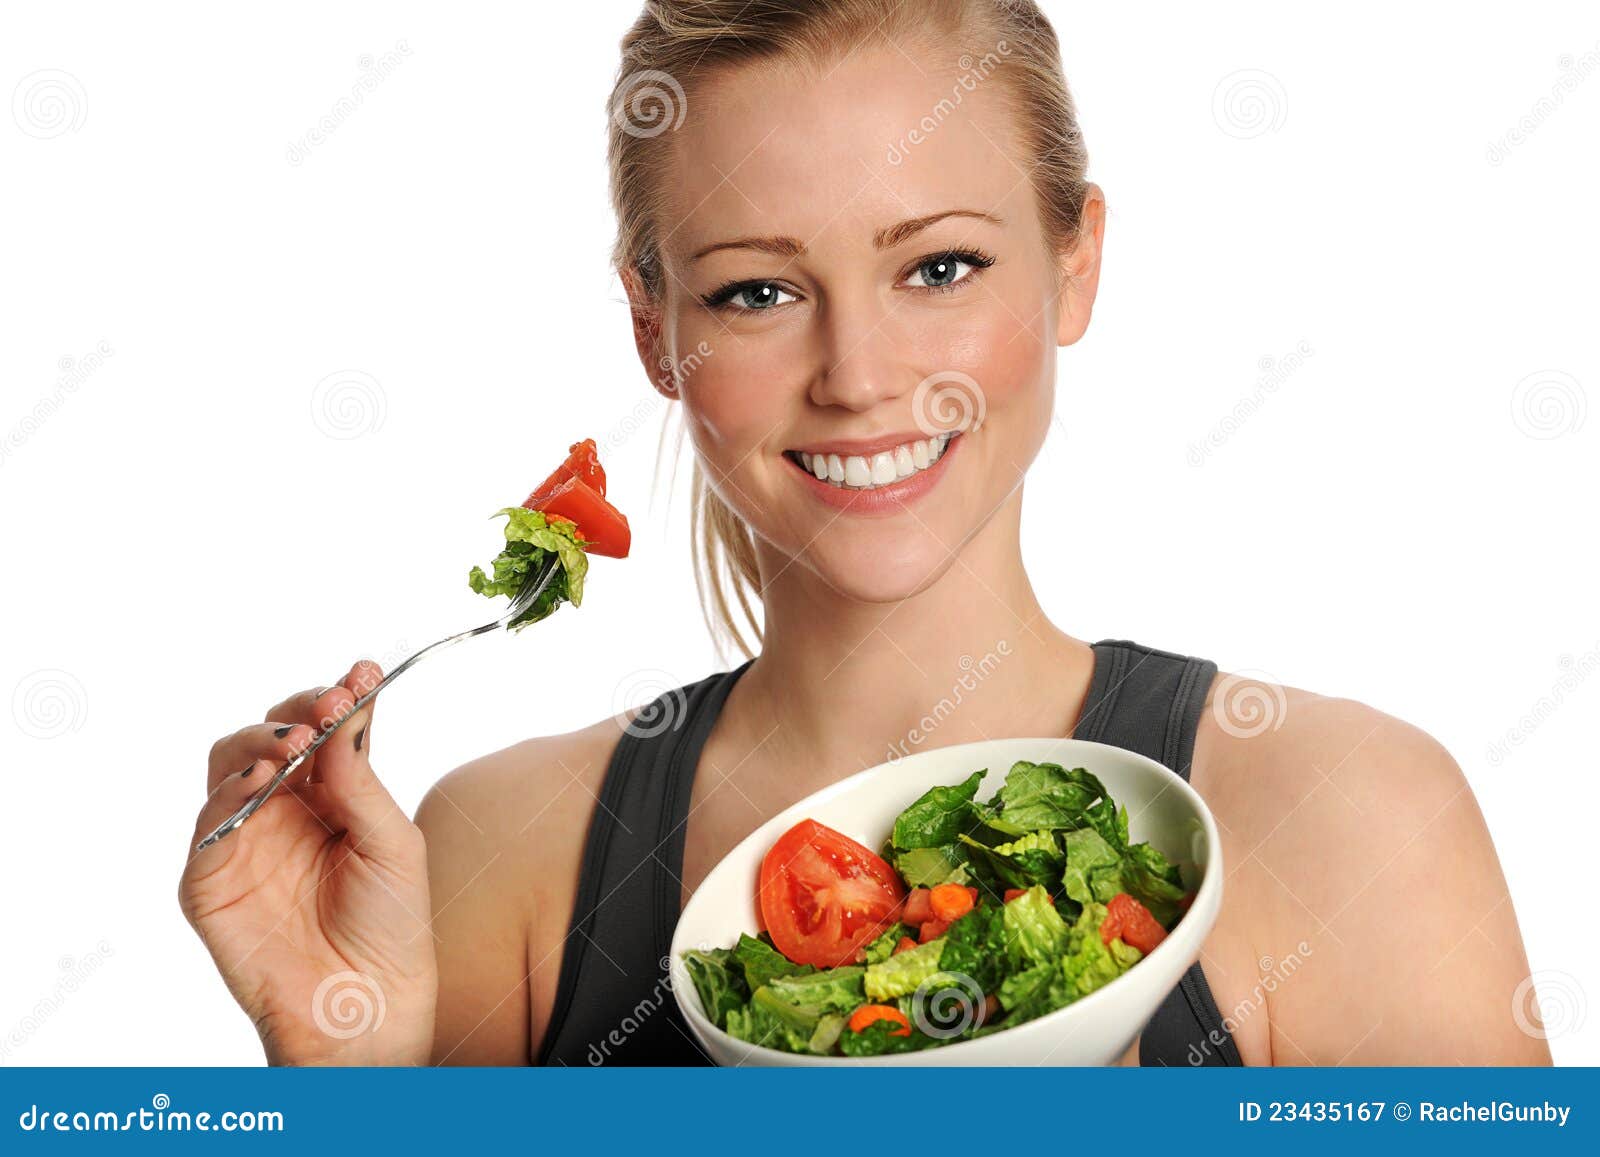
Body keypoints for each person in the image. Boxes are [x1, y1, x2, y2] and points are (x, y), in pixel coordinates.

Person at [180, 0, 1548, 1066]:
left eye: (939, 266)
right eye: (759, 290)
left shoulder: (1353, 823)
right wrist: (337, 1076)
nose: (859, 375)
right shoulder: (501, 850)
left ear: (1077, 262)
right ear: (656, 333)